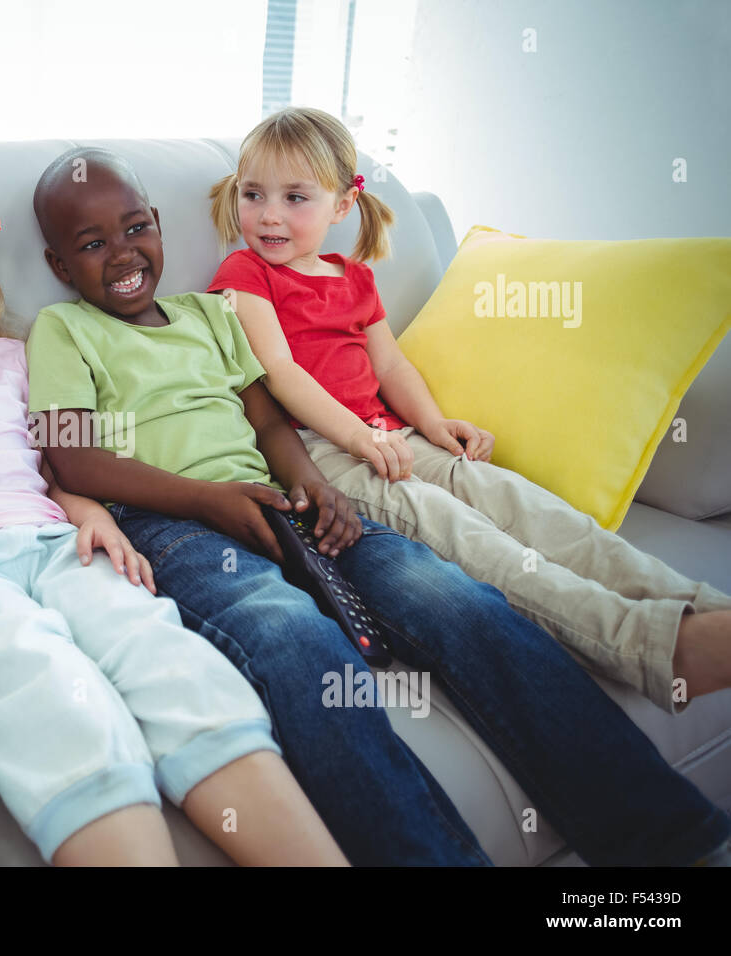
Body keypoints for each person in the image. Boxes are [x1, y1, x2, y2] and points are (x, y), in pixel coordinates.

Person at [24, 145, 731, 866]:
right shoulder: (66, 331)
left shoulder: (207, 315)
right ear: (59, 267)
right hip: (176, 528)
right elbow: (70, 455)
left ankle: (666, 842)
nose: (123, 253)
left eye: (137, 227)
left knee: (462, 602)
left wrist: (314, 486)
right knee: (297, 641)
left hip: (283, 500)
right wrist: (210, 501)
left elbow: (270, 424)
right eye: (91, 244)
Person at [0, 159, 348, 866]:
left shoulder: (17, 358)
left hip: (61, 546)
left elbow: (52, 462)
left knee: (172, 660)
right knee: (52, 695)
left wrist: (92, 513)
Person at [207, 106, 731, 713]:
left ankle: (701, 605)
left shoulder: (353, 278)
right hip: (322, 455)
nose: (269, 214)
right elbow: (282, 372)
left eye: (295, 196)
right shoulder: (244, 273)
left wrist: (432, 423)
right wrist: (359, 438)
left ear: (342, 205)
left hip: (393, 435)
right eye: (253, 194)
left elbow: (391, 366)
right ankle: (654, 647)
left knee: (527, 507)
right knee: (472, 538)